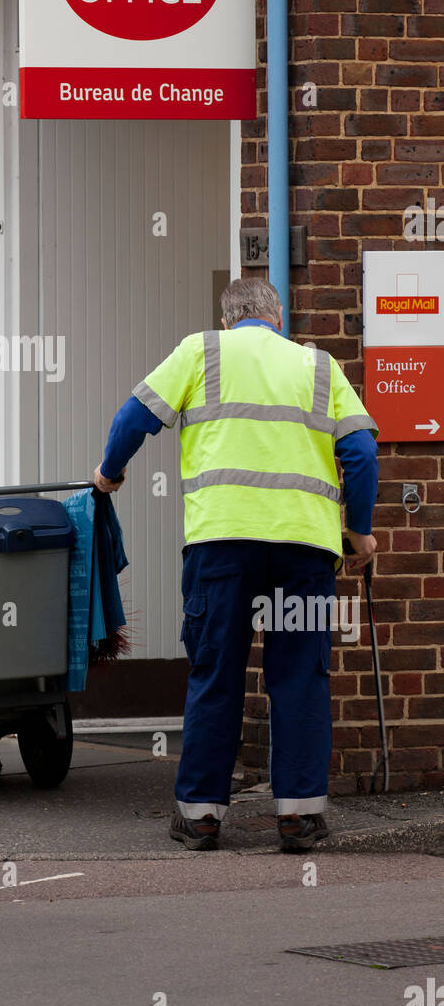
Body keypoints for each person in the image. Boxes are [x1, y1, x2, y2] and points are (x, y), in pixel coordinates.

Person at [93, 278, 378, 852]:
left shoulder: (201, 351)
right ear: (277, 318)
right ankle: (298, 817)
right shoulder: (319, 367)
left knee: (215, 674)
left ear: (228, 320)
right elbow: (363, 453)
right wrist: (359, 531)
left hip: (221, 551)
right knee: (299, 678)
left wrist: (110, 473)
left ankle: (200, 817)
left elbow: (132, 418)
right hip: (304, 554)